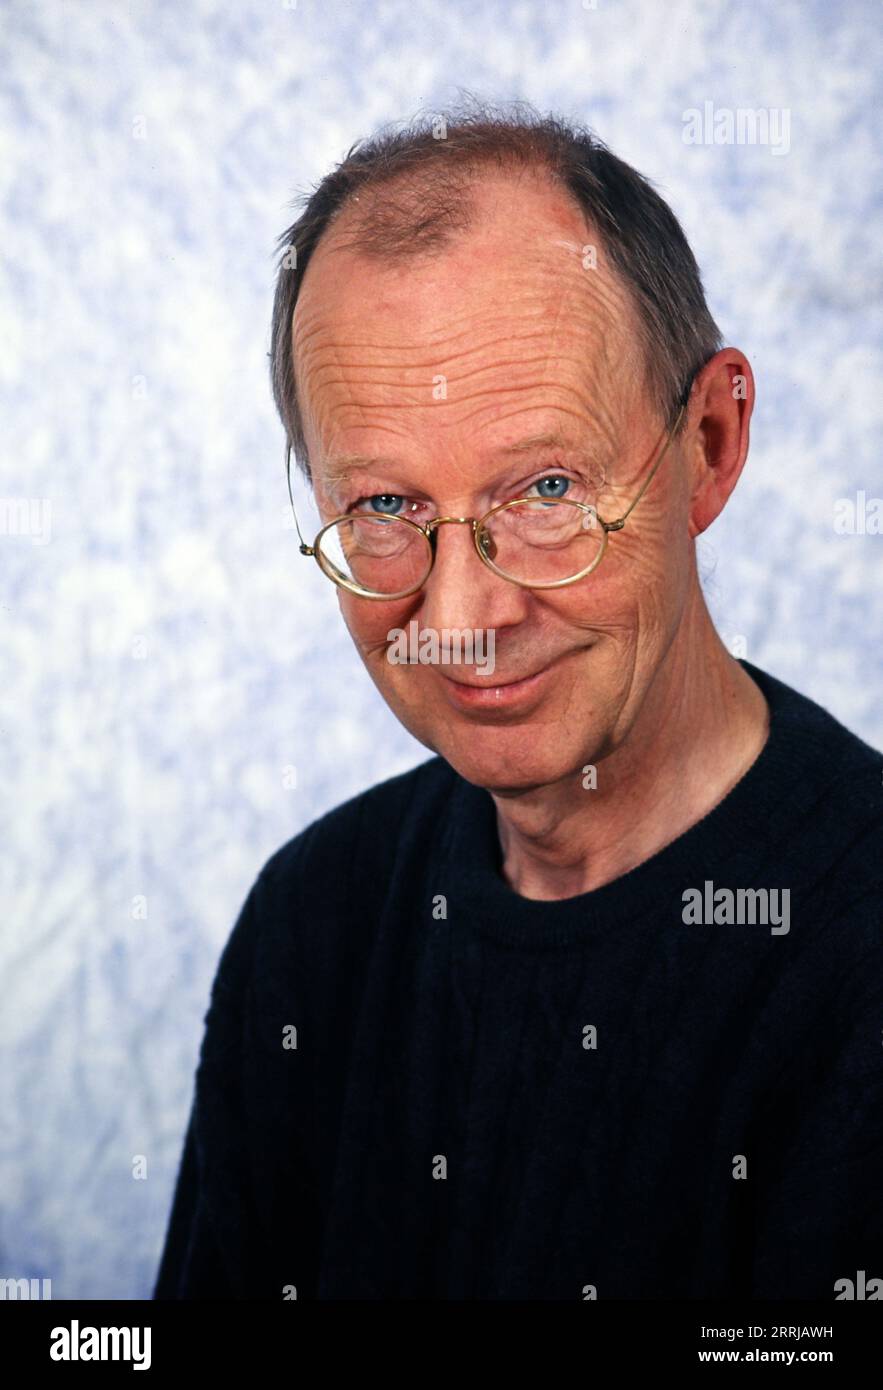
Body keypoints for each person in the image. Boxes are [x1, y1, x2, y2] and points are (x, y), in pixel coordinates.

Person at [154, 104, 883, 1300]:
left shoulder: (853, 964)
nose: (464, 614)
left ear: (707, 442)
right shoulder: (313, 921)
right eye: (384, 508)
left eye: (545, 488)